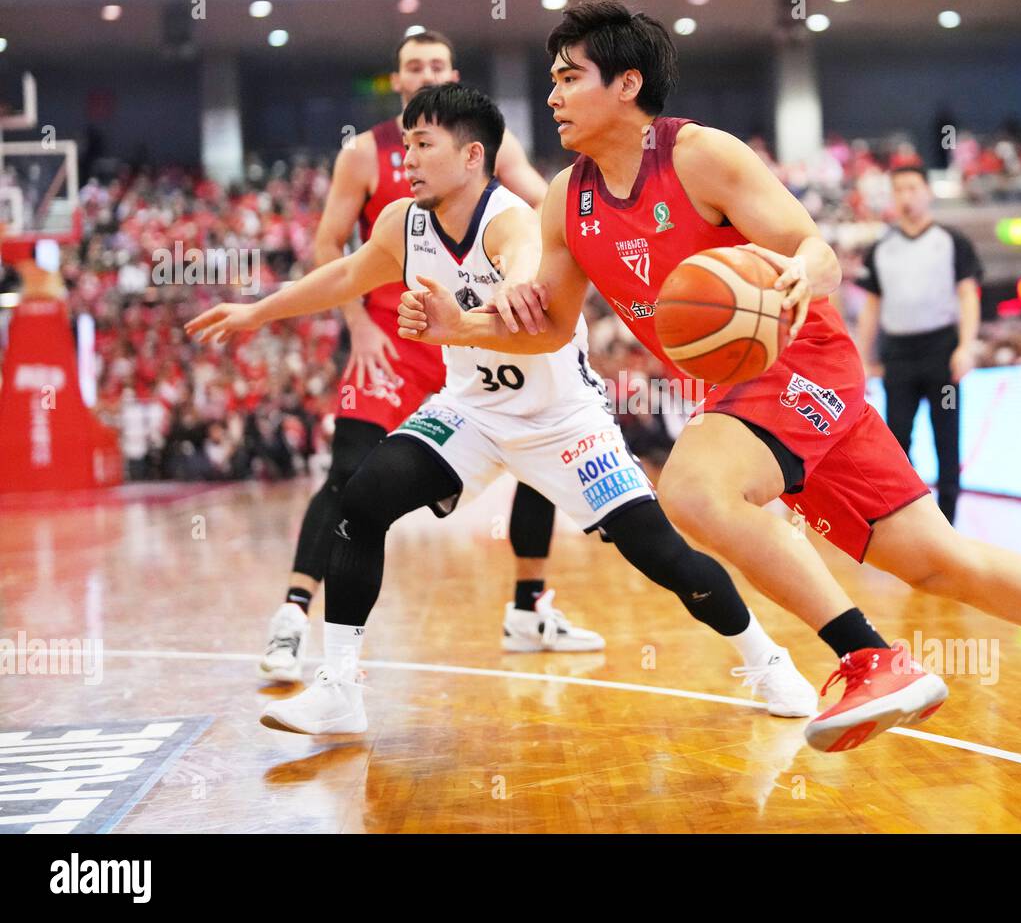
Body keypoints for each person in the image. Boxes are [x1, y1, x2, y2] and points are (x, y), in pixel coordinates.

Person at [397, 1, 1021, 753]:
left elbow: (813, 246)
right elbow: (552, 327)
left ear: (626, 84)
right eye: (554, 79)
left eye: (571, 77)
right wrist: (457, 327)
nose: (554, 95)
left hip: (800, 360)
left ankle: (872, 659)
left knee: (694, 487)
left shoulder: (701, 155)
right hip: (746, 393)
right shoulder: (566, 201)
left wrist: (801, 273)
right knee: (939, 563)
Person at [186, 83, 817, 734]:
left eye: (423, 143)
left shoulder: (514, 220)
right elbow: (346, 277)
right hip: (472, 412)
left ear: (471, 157)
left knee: (658, 553)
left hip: (561, 420)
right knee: (362, 496)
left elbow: (523, 280)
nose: (406, 157)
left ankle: (766, 660)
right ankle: (341, 688)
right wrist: (256, 311)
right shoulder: (403, 223)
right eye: (404, 144)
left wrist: (474, 311)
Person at [259, 30, 562, 683]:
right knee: (348, 477)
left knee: (539, 459)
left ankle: (530, 610)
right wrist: (356, 328)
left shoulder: (489, 143)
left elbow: (543, 206)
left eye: (435, 64)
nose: (423, 72)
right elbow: (328, 248)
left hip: (467, 337)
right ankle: (292, 617)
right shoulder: (365, 153)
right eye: (412, 66)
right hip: (390, 339)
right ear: (396, 81)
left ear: (452, 72)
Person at [855, 165, 981, 524]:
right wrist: (862, 359)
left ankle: (949, 528)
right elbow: (871, 308)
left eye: (912, 188)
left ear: (927, 191)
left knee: (947, 440)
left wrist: (966, 346)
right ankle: (909, 525)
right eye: (899, 190)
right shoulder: (880, 249)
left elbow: (968, 294)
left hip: (942, 349)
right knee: (896, 443)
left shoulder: (952, 241)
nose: (906, 196)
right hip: (899, 354)